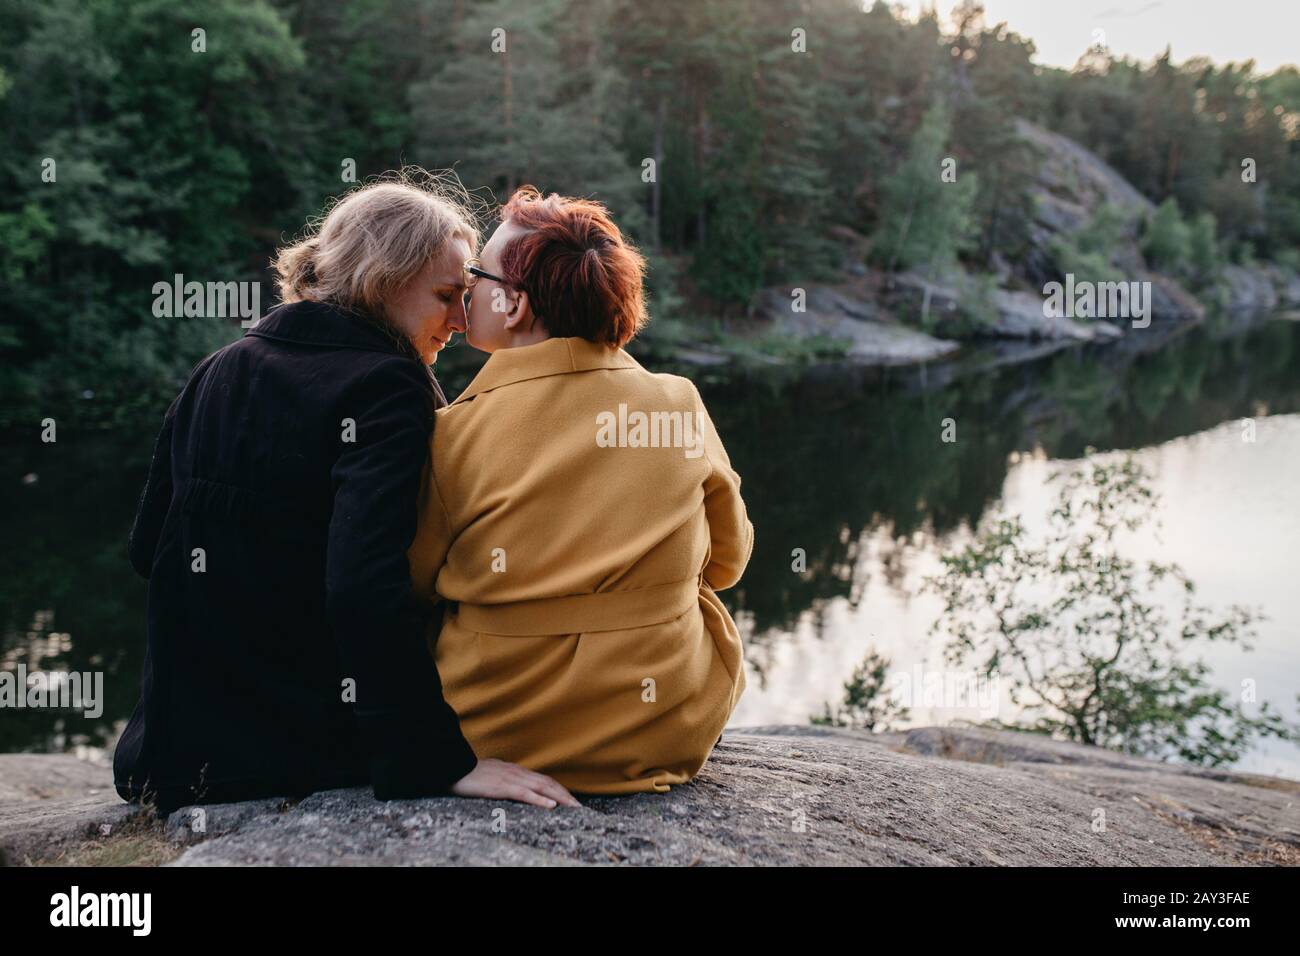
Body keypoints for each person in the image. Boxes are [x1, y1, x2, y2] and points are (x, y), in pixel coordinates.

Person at [114, 171, 579, 815]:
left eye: (466, 294)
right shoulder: (388, 385)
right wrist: (438, 758)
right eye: (446, 294)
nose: (458, 317)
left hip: (169, 754)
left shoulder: (217, 368)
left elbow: (147, 550)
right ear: (382, 282)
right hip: (300, 753)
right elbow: (364, 585)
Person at [408, 186, 753, 794]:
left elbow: (411, 583)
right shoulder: (677, 403)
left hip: (499, 733)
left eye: (474, 275)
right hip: (664, 727)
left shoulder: (449, 434)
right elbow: (728, 562)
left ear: (513, 307)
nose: (465, 291)